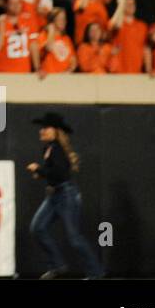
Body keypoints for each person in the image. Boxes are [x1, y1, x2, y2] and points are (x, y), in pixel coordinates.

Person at [26, 112, 104, 279]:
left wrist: (38, 170)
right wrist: (42, 174)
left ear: (55, 131)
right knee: (37, 227)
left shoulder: (58, 149)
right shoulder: (48, 148)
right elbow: (54, 173)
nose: (42, 131)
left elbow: (60, 173)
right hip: (54, 195)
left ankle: (96, 273)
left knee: (74, 238)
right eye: (42, 128)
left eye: (46, 128)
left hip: (66, 195)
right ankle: (57, 265)